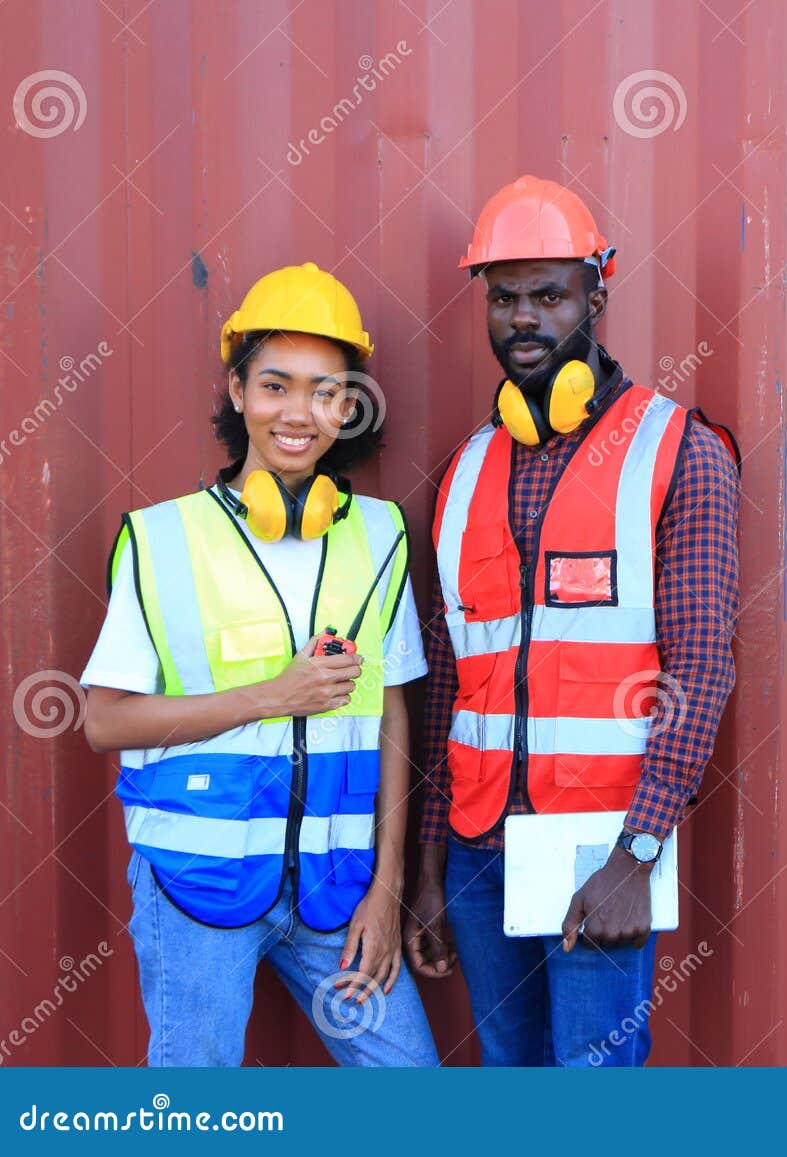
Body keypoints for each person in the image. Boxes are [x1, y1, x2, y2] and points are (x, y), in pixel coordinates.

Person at [403, 176, 740, 1066]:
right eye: (504, 297)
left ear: (596, 296)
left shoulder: (678, 450)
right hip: (476, 853)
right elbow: (449, 681)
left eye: (549, 295)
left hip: (601, 846)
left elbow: (701, 668)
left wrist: (637, 853)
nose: (524, 317)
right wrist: (429, 869)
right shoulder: (464, 471)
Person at [80, 263, 439, 1067]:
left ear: (348, 407)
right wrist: (275, 694)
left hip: (337, 890)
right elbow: (104, 721)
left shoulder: (380, 536)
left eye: (324, 391)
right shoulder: (162, 539)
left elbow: (391, 714)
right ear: (238, 391)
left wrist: (388, 888)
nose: (298, 413)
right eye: (275, 385)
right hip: (196, 886)